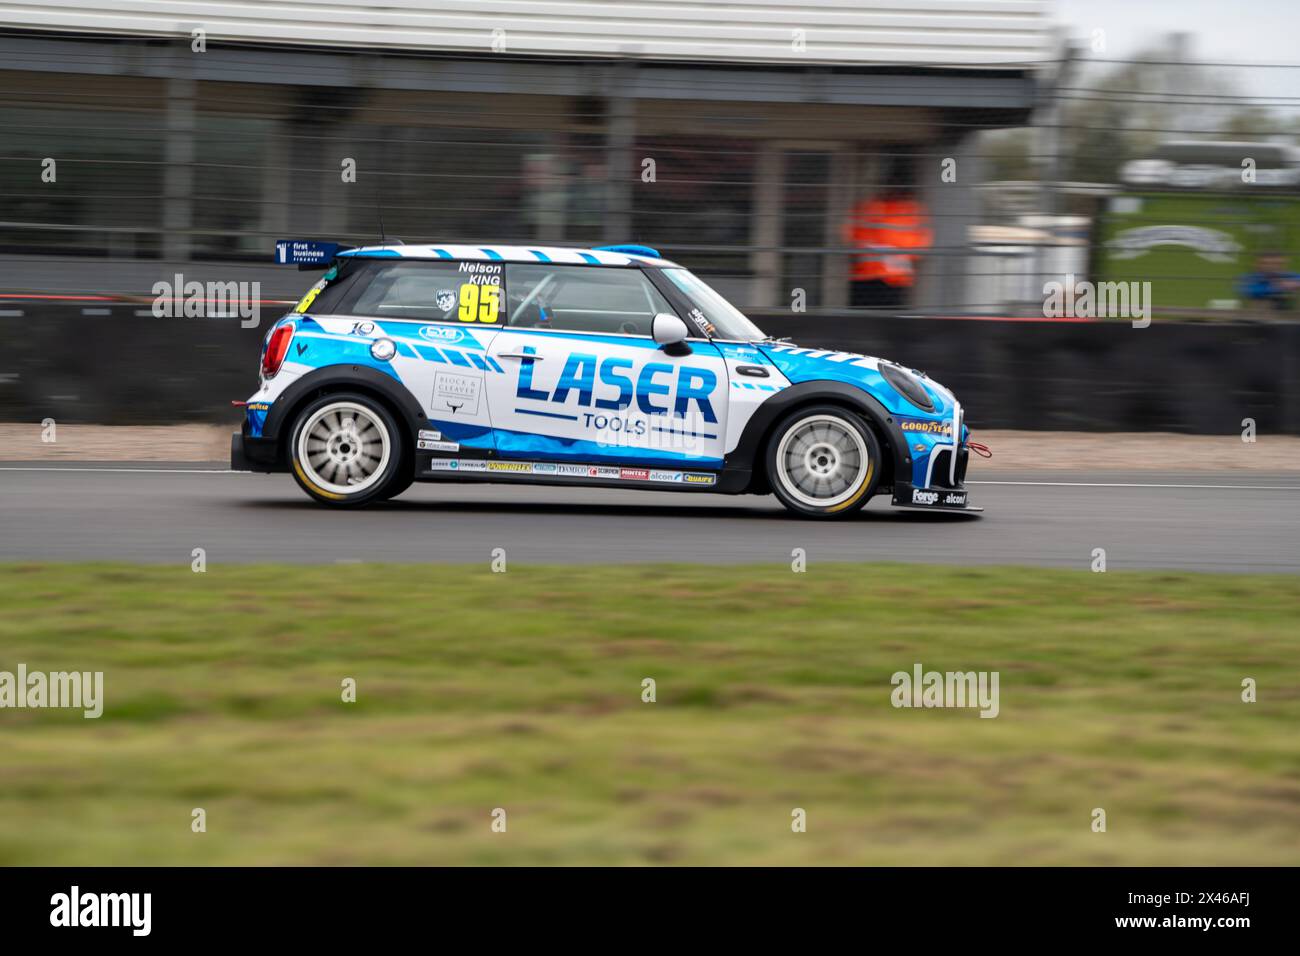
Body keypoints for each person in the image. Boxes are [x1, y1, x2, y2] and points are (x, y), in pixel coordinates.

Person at [843, 160, 932, 309]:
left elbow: (921, 244)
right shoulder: (871, 207)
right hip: (867, 277)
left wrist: (884, 247)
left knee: (886, 317)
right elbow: (851, 234)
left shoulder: (912, 210)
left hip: (892, 279)